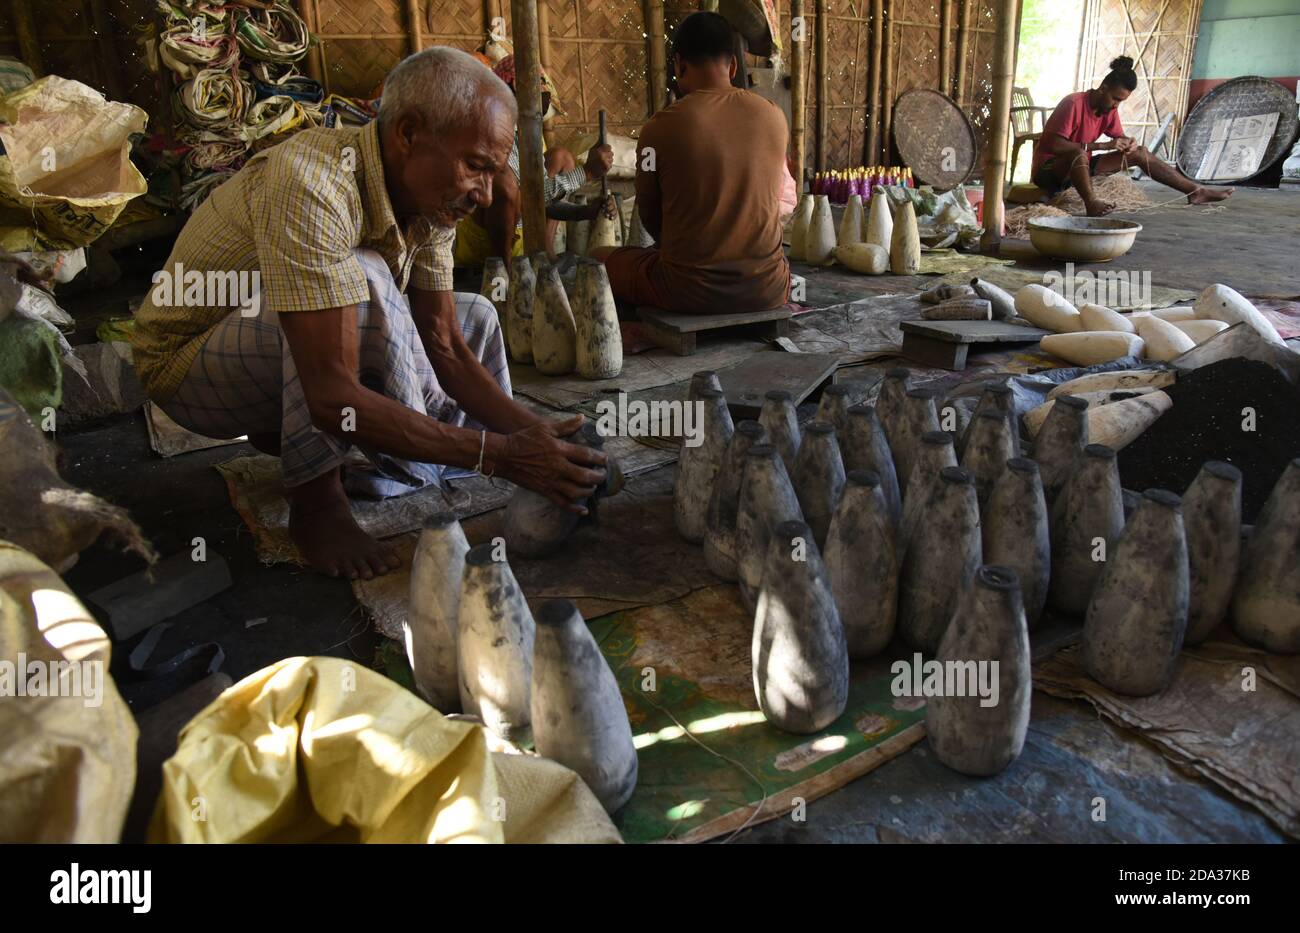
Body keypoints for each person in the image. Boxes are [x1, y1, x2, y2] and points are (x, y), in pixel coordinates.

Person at [130, 47, 607, 581]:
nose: (486, 194)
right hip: (186, 368)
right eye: (476, 165)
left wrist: (543, 435)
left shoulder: (431, 203)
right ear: (407, 134)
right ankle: (317, 506)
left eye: (493, 173)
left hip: (272, 358)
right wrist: (500, 457)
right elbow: (334, 398)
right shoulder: (313, 182)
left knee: (475, 317)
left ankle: (423, 449)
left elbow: (445, 342)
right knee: (360, 283)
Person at [591, 11, 790, 313]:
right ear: (733, 65)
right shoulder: (775, 116)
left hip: (687, 293)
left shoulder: (657, 129)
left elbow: (649, 213)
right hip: (769, 289)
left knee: (597, 260)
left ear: (680, 64)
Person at [453, 54, 615, 265]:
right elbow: (527, 197)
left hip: (522, 237)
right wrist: (586, 173)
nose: (541, 96)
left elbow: (541, 199)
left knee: (560, 157)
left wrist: (585, 212)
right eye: (534, 88)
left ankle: (543, 251)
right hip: (482, 250)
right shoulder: (489, 128)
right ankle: (504, 273)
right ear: (510, 89)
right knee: (505, 186)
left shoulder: (526, 130)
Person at [1033, 55, 1233, 216]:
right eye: (1115, 99)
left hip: (1080, 168)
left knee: (1141, 153)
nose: (1116, 105)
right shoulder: (1073, 104)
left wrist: (1128, 143)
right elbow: (1054, 145)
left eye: (1121, 102)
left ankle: (1195, 191)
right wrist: (1103, 146)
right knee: (1078, 153)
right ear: (1103, 89)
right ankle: (1092, 203)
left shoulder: (1108, 109)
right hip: (1050, 171)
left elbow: (1119, 136)